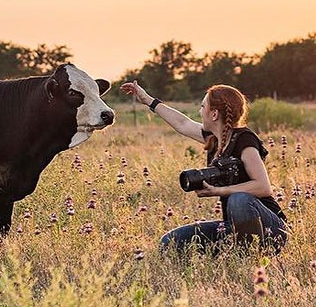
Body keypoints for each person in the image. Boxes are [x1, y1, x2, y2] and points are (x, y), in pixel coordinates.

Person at [119, 80, 288, 253]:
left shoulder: (245, 139)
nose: (200, 111)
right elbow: (182, 123)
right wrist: (147, 100)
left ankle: (250, 256)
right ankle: (232, 250)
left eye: (202, 106)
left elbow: (263, 186)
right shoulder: (214, 139)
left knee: (239, 199)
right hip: (234, 226)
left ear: (214, 114)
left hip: (270, 229)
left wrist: (218, 191)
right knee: (170, 242)